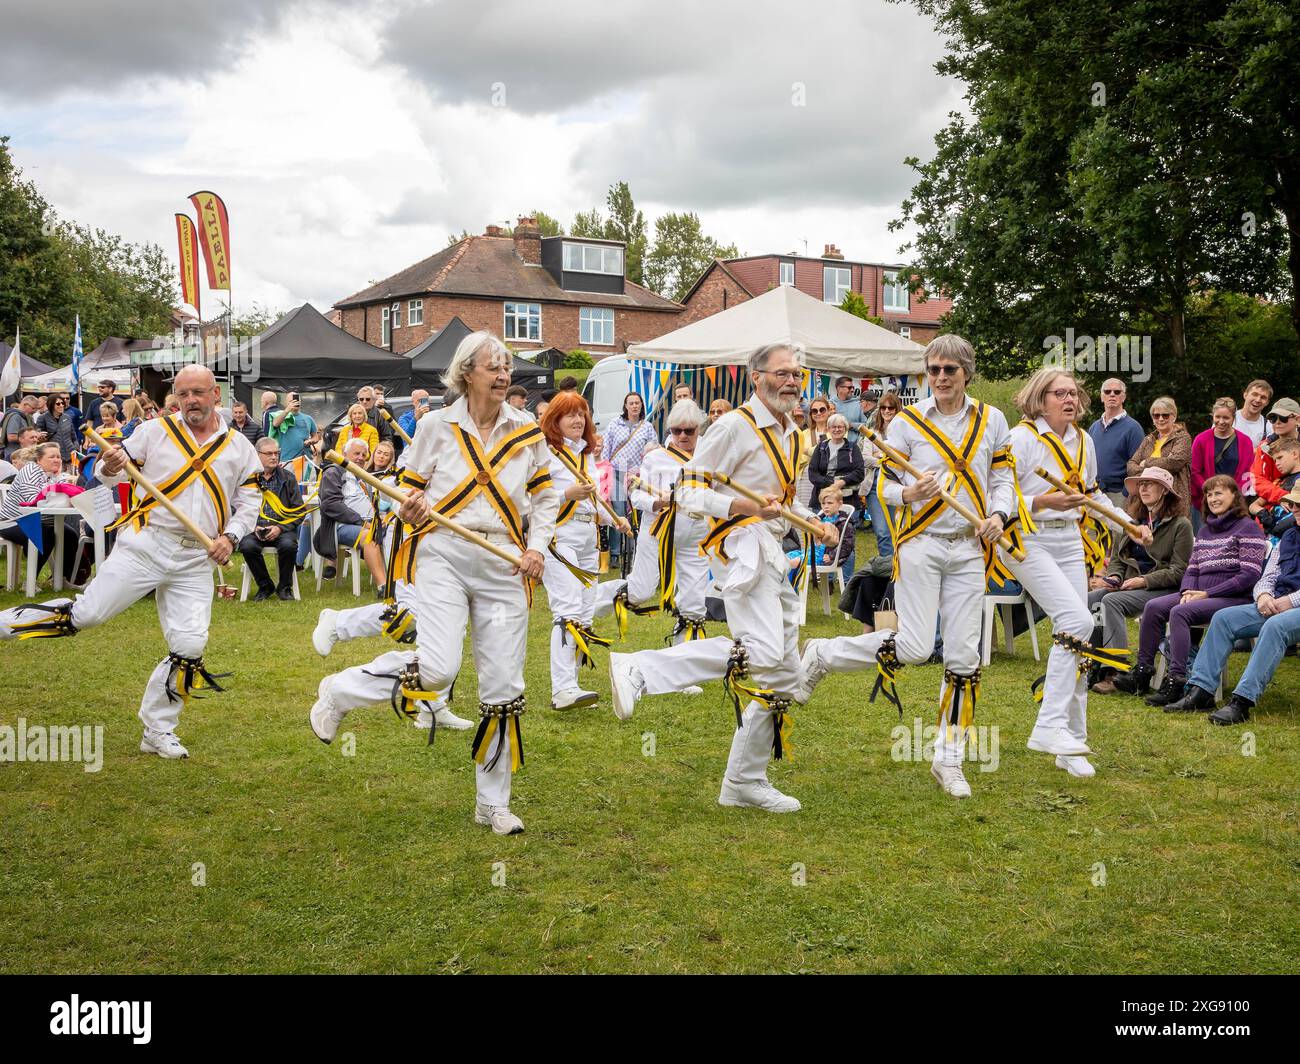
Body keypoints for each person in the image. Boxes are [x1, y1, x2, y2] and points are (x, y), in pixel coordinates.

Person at [310, 331, 558, 837]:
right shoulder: (434, 426)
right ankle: (341, 691)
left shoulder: (527, 429)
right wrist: (410, 502)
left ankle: (493, 804)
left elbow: (547, 496)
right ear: (467, 372)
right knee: (439, 668)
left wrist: (538, 546)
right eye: (494, 365)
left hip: (506, 559)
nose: (504, 373)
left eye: (507, 365)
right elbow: (408, 484)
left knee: (504, 686)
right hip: (444, 552)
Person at [613, 342, 840, 814]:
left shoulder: (795, 434)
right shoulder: (734, 426)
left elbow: (780, 501)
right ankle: (641, 669)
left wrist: (814, 521)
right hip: (740, 546)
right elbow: (688, 489)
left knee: (781, 673)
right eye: (781, 373)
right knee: (762, 653)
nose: (791, 382)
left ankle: (743, 781)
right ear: (755, 377)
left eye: (796, 374)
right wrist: (740, 506)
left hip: (772, 546)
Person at [0, 366, 261, 759]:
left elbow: (250, 502)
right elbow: (107, 475)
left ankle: (158, 729)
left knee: (190, 646)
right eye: (184, 393)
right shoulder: (155, 431)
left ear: (216, 396)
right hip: (147, 543)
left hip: (195, 557)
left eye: (199, 393)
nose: (191, 400)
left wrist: (231, 536)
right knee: (85, 615)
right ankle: (4, 625)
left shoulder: (241, 447)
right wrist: (108, 466)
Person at [797, 334, 1014, 799]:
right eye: (933, 369)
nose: (940, 378)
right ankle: (823, 654)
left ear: (966, 373)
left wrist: (1000, 515)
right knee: (914, 646)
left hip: (970, 547)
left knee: (964, 655)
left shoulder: (992, 420)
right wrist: (908, 495)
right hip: (921, 543)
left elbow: (1003, 479)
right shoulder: (908, 422)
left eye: (949, 370)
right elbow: (883, 486)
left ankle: (948, 756)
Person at [1001, 367, 1149, 778]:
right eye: (1059, 393)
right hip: (1025, 539)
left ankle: (1071, 741)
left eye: (1073, 393)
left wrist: (1128, 524)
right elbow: (1000, 497)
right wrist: (1044, 502)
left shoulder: (1084, 439)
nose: (1069, 399)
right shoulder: (1021, 438)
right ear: (1039, 398)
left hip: (1069, 540)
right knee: (1078, 620)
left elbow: (1093, 492)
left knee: (1076, 636)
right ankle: (1048, 724)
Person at [1115, 475, 1267, 705]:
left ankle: (1176, 680)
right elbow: (1192, 569)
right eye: (1209, 494)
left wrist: (1207, 594)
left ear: (1235, 496)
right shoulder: (1205, 531)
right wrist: (1187, 591)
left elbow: (1249, 575)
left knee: (1180, 612)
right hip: (1199, 594)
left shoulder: (1248, 529)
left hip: (1233, 597)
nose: (1213, 498)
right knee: (1154, 607)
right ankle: (1143, 673)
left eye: (1219, 493)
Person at [1165, 487, 1300, 723]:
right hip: (1275, 602)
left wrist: (1289, 601)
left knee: (1275, 627)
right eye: (1293, 504)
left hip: (1290, 606)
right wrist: (1264, 596)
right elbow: (1267, 575)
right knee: (1224, 618)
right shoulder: (1289, 536)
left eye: (1299, 505)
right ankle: (1202, 691)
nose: (1295, 509)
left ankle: (1242, 701)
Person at [598, 400, 711, 655]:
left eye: (689, 431)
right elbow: (637, 496)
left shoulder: (710, 457)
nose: (682, 436)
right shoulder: (656, 458)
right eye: (676, 430)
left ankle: (684, 667)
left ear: (698, 429)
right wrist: (658, 501)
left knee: (694, 604)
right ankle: (589, 602)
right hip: (657, 533)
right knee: (640, 592)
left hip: (696, 537)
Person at [541, 392, 629, 709]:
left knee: (585, 611)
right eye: (570, 415)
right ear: (555, 420)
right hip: (557, 535)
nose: (578, 420)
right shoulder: (545, 452)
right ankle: (562, 689)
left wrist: (614, 520)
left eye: (582, 414)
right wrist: (567, 493)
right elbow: (529, 499)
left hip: (587, 537)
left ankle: (573, 685)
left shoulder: (586, 455)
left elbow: (593, 501)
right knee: (567, 609)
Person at [1087, 466, 1194, 694]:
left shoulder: (1180, 525)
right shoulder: (1130, 522)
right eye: (1141, 484)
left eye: (1149, 484)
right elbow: (1117, 558)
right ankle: (1095, 664)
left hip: (1163, 589)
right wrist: (1114, 576)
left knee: (1111, 602)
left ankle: (1117, 670)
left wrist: (1143, 580)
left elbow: (1179, 571)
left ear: (1165, 490)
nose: (1143, 488)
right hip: (1128, 584)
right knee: (1093, 599)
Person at [0, 441, 92, 586]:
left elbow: (63, 497)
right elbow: (32, 502)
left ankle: (64, 579)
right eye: (51, 457)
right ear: (38, 460)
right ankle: (29, 583)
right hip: (13, 521)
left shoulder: (54, 474)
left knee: (70, 534)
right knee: (45, 535)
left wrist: (58, 479)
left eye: (58, 457)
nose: (56, 460)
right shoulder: (31, 470)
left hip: (43, 521)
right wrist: (55, 487)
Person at [238, 438, 306, 601]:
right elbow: (237, 507)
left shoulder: (288, 478)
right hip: (255, 528)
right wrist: (252, 526)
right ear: (257, 455)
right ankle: (265, 585)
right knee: (247, 546)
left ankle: (284, 587)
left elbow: (299, 511)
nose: (274, 457)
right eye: (269, 454)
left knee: (289, 546)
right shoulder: (248, 478)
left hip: (282, 528)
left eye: (276, 453)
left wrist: (280, 528)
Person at [313, 437, 386, 587]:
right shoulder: (333, 472)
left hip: (367, 523)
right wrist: (361, 522)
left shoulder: (361, 475)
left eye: (364, 455)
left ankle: (399, 582)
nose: (360, 458)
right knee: (369, 536)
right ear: (345, 454)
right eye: (356, 453)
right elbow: (331, 504)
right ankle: (383, 586)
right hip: (339, 526)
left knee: (396, 531)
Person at [601, 392, 657, 566]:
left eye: (637, 403)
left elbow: (653, 450)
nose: (634, 406)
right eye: (631, 403)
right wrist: (605, 471)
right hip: (617, 472)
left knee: (637, 512)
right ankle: (616, 554)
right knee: (618, 512)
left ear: (641, 406)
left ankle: (635, 551)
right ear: (625, 406)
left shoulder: (647, 427)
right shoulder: (614, 424)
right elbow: (606, 448)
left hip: (637, 476)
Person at [1088, 378, 1146, 506]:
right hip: (1093, 493)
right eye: (1107, 391)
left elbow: (1139, 466)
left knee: (1117, 527)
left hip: (1119, 495)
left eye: (1117, 392)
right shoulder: (1094, 428)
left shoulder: (1133, 428)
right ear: (1102, 397)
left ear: (1123, 397)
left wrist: (1126, 494)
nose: (1112, 394)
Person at [1126, 396, 1192, 502]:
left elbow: (1173, 463)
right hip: (1143, 498)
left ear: (1173, 417)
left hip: (1171, 498)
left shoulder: (1182, 438)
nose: (1160, 419)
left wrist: (1145, 463)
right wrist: (1159, 466)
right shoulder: (1148, 439)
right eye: (1156, 416)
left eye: (1165, 415)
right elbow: (1131, 466)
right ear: (1153, 419)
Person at [860, 390, 901, 558]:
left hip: (897, 484)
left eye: (891, 407)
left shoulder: (903, 433)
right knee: (882, 531)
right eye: (883, 407)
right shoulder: (873, 433)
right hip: (875, 485)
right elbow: (864, 458)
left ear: (897, 409)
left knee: (896, 529)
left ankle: (899, 565)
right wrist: (885, 460)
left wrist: (879, 456)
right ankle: (887, 569)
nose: (887, 411)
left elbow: (906, 458)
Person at [1247, 397, 1300, 509]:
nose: (1277, 422)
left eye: (1283, 418)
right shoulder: (1264, 448)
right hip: (1274, 504)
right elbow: (1258, 480)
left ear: (1298, 420)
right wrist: (1283, 497)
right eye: (1273, 418)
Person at [807, 412, 865, 512]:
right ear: (828, 429)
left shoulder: (853, 448)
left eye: (840, 427)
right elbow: (813, 474)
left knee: (846, 527)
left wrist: (842, 482)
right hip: (821, 500)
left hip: (847, 500)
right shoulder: (821, 447)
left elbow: (859, 472)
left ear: (845, 429)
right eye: (833, 427)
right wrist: (832, 483)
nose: (837, 430)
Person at [1249, 438, 1300, 533]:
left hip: (1292, 536)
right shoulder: (1279, 482)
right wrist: (1262, 513)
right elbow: (1253, 505)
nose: (1277, 464)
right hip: (1271, 537)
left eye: (1280, 458)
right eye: (1275, 460)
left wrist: (1276, 528)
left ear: (1294, 454)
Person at [813, 484, 856, 585]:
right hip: (822, 553)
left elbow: (847, 544)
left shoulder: (844, 522)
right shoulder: (819, 520)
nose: (826, 506)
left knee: (850, 554)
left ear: (840, 504)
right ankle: (828, 580)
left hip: (839, 553)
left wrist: (832, 556)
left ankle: (847, 582)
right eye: (823, 503)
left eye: (830, 503)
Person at [268, 392, 317, 462]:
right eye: (291, 401)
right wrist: (287, 410)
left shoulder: (308, 418)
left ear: (300, 402)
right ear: (286, 403)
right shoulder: (280, 416)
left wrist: (311, 441)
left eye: (297, 400)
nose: (295, 403)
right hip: (287, 460)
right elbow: (275, 424)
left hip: (306, 460)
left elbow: (315, 437)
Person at [35, 394, 77, 462]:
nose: (61, 405)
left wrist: (75, 448)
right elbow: (38, 438)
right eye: (58, 404)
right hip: (53, 456)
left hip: (70, 456)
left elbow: (73, 436)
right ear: (51, 405)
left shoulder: (67, 417)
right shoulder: (42, 418)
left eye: (62, 403)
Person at [828, 376, 868, 445]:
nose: (852, 390)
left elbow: (867, 425)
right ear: (838, 388)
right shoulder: (830, 404)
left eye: (853, 387)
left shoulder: (858, 404)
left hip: (853, 446)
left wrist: (852, 425)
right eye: (849, 387)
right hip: (833, 445)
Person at [1235, 379, 1272, 452]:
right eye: (1255, 394)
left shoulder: (1268, 426)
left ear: (1267, 403)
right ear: (1245, 395)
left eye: (1263, 397)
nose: (1258, 400)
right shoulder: (1228, 419)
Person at [3, 395, 36, 459]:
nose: (35, 411)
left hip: (21, 454)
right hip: (14, 455)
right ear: (25, 404)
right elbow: (11, 437)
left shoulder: (25, 417)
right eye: (33, 408)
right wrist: (31, 438)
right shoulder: (15, 416)